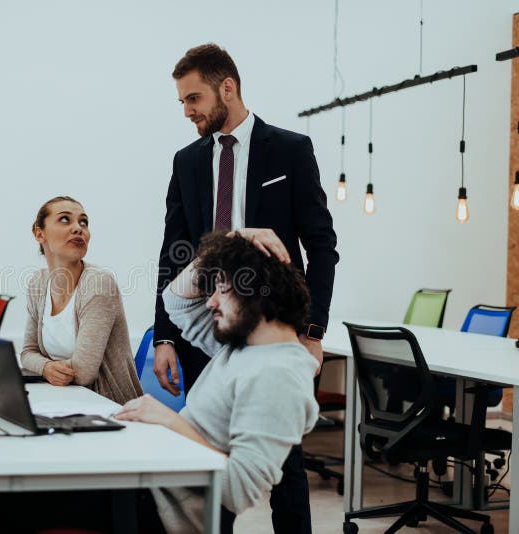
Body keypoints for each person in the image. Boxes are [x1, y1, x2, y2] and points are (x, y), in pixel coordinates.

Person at [0, 231, 319, 534]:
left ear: (256, 291)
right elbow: (176, 301)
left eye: (221, 289)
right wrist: (229, 243)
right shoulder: (243, 346)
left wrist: (169, 420)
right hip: (151, 480)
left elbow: (238, 489)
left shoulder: (280, 375)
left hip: (160, 510)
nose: (210, 302)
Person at [153, 44, 339, 533]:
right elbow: (173, 250)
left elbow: (321, 246)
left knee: (285, 470)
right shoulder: (186, 161)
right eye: (182, 102)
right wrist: (165, 335)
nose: (187, 111)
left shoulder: (290, 149)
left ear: (228, 87)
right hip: (205, 320)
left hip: (269, 326)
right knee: (204, 458)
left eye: (193, 98)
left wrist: (313, 332)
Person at [20, 195, 143, 405]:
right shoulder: (38, 283)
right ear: (39, 233)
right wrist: (46, 367)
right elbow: (27, 353)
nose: (78, 228)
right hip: (62, 400)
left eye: (83, 222)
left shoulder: (98, 283)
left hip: (109, 406)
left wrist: (44, 367)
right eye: (65, 219)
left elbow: (84, 372)